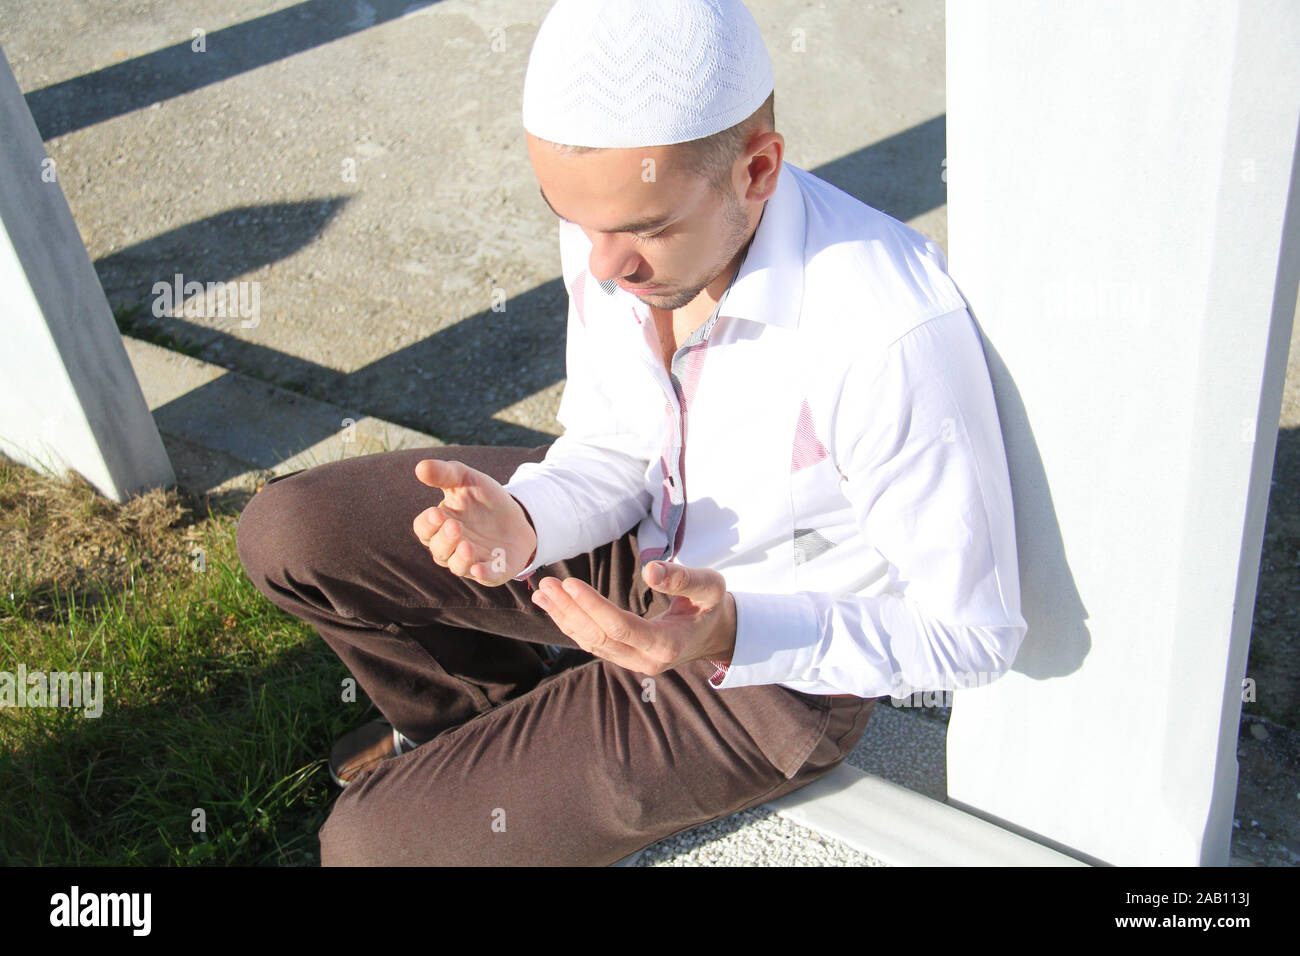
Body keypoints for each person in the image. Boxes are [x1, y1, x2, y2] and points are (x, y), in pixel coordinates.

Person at [235, 0, 1028, 866]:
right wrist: (528, 519)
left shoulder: (885, 337)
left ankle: (472, 783)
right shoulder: (615, 229)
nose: (605, 266)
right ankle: (472, 728)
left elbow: (976, 636)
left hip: (766, 672)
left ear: (757, 168)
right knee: (288, 531)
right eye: (576, 220)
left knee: (362, 849)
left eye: (644, 229)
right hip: (644, 536)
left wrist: (727, 632)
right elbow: (615, 444)